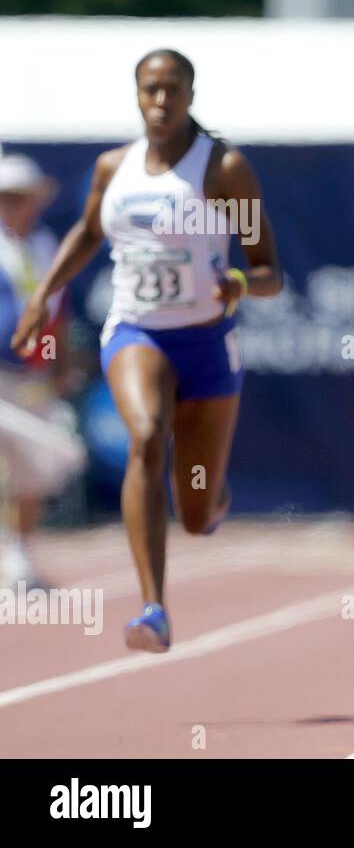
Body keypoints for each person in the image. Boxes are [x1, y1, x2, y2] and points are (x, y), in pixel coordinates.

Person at [10, 49, 283, 652]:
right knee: (146, 433)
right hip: (136, 332)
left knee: (195, 513)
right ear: (137, 95)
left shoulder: (223, 172)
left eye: (172, 90)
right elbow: (87, 232)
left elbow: (268, 271)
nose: (161, 102)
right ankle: (153, 607)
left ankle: (212, 497)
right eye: (150, 90)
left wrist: (238, 284)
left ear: (190, 95)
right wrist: (43, 297)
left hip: (208, 343)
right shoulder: (115, 169)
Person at [0, 153, 87, 589]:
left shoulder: (45, 245)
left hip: (33, 377)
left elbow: (59, 313)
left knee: (30, 468)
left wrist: (60, 363)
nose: (17, 206)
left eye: (23, 198)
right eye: (8, 198)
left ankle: (20, 553)